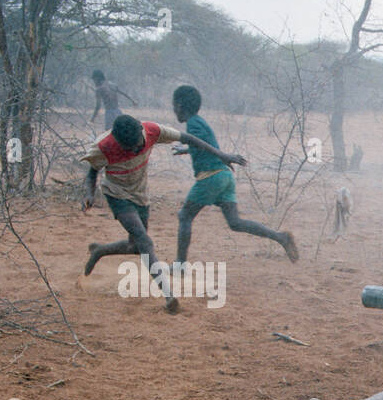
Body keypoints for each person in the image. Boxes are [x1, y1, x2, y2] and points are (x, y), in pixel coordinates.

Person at [81, 114, 245, 314]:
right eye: (129, 149)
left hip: (140, 195)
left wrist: (221, 155)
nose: (135, 151)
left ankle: (100, 251)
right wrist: (90, 194)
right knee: (145, 241)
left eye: (138, 145)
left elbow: (189, 139)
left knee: (136, 247)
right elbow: (92, 172)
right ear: (118, 142)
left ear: (142, 133)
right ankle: (169, 296)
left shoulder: (152, 130)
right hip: (117, 195)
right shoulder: (103, 147)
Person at [170, 85, 297, 264]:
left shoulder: (193, 123)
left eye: (174, 105)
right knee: (235, 222)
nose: (174, 109)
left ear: (180, 105)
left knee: (185, 216)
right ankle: (280, 237)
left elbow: (203, 145)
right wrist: (186, 149)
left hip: (211, 177)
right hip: (224, 177)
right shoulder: (199, 121)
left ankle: (180, 265)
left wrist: (223, 155)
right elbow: (202, 144)